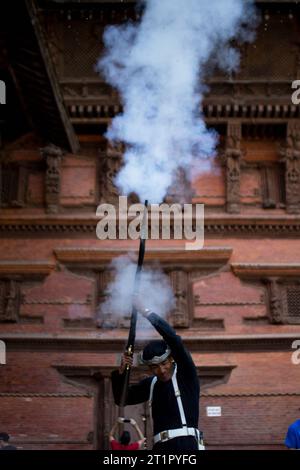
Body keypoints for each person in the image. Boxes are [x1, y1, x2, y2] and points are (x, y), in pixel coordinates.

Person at [111, 297, 201, 451]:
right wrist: (121, 373)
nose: (161, 370)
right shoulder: (151, 384)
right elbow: (122, 399)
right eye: (155, 367)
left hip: (185, 446)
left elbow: (174, 340)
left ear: (171, 359)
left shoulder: (186, 374)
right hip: (159, 448)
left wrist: (146, 312)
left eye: (164, 363)